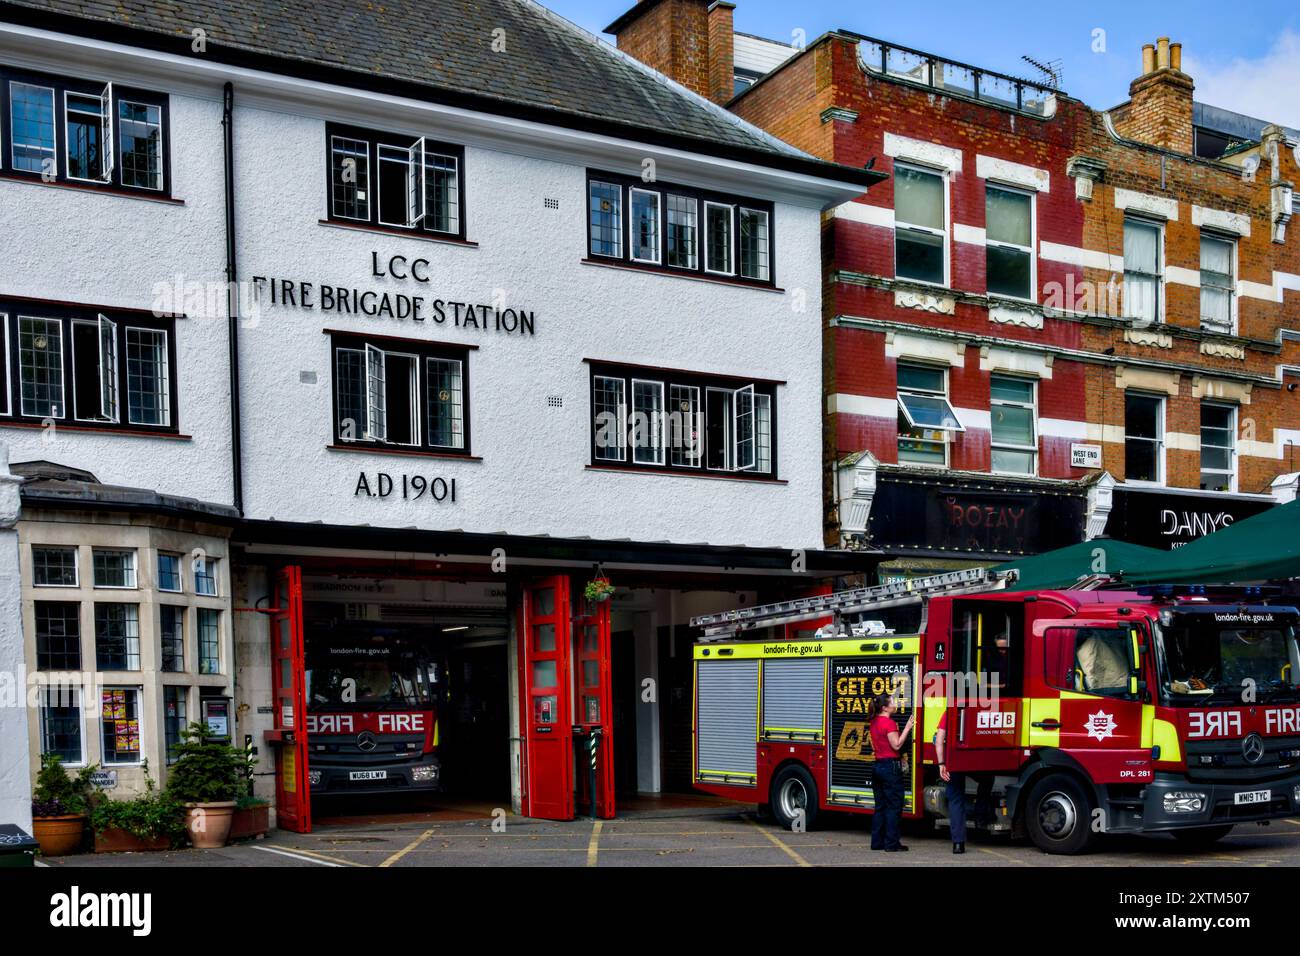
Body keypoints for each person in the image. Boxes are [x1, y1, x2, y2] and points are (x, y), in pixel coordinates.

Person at [868, 693, 914, 852]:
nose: (896, 703)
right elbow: (896, 745)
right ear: (885, 708)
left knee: (880, 806)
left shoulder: (873, 722)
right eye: (893, 702)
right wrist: (908, 728)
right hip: (890, 768)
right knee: (894, 807)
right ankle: (891, 844)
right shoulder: (889, 723)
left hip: (878, 766)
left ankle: (877, 842)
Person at [933, 710, 966, 854]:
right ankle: (981, 814)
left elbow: (939, 739)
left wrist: (941, 764)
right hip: (978, 760)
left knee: (956, 800)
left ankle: (958, 844)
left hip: (955, 761)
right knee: (987, 780)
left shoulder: (950, 712)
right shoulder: (984, 706)